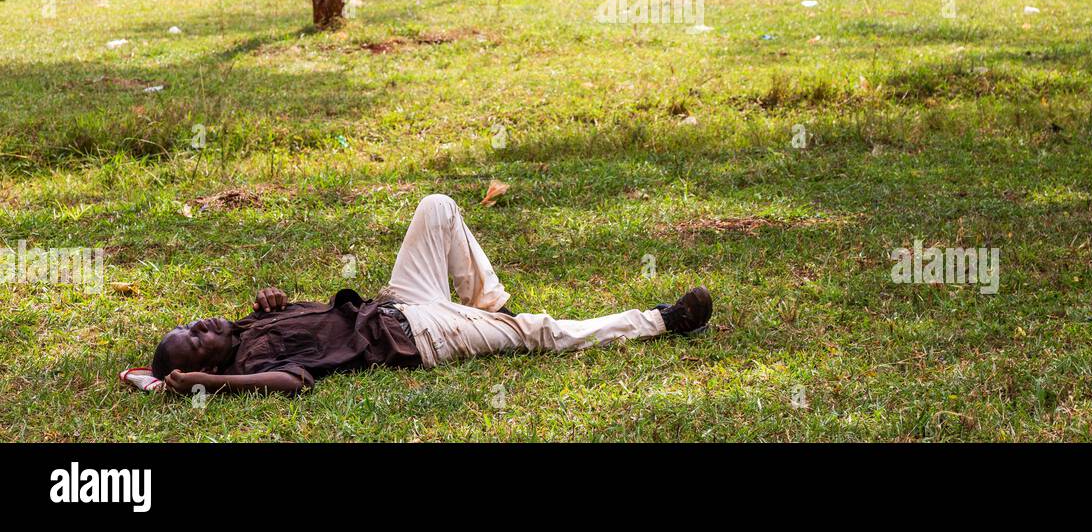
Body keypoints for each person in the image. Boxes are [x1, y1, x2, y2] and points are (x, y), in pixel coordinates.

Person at [151, 193, 713, 396]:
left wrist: (277, 303)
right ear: (212, 362)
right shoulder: (248, 363)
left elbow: (317, 320)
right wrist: (205, 382)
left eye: (192, 323)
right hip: (419, 335)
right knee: (542, 333)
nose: (203, 326)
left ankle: (491, 313)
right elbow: (293, 383)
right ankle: (662, 321)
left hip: (393, 302)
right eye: (198, 341)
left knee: (437, 207)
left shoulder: (249, 328)